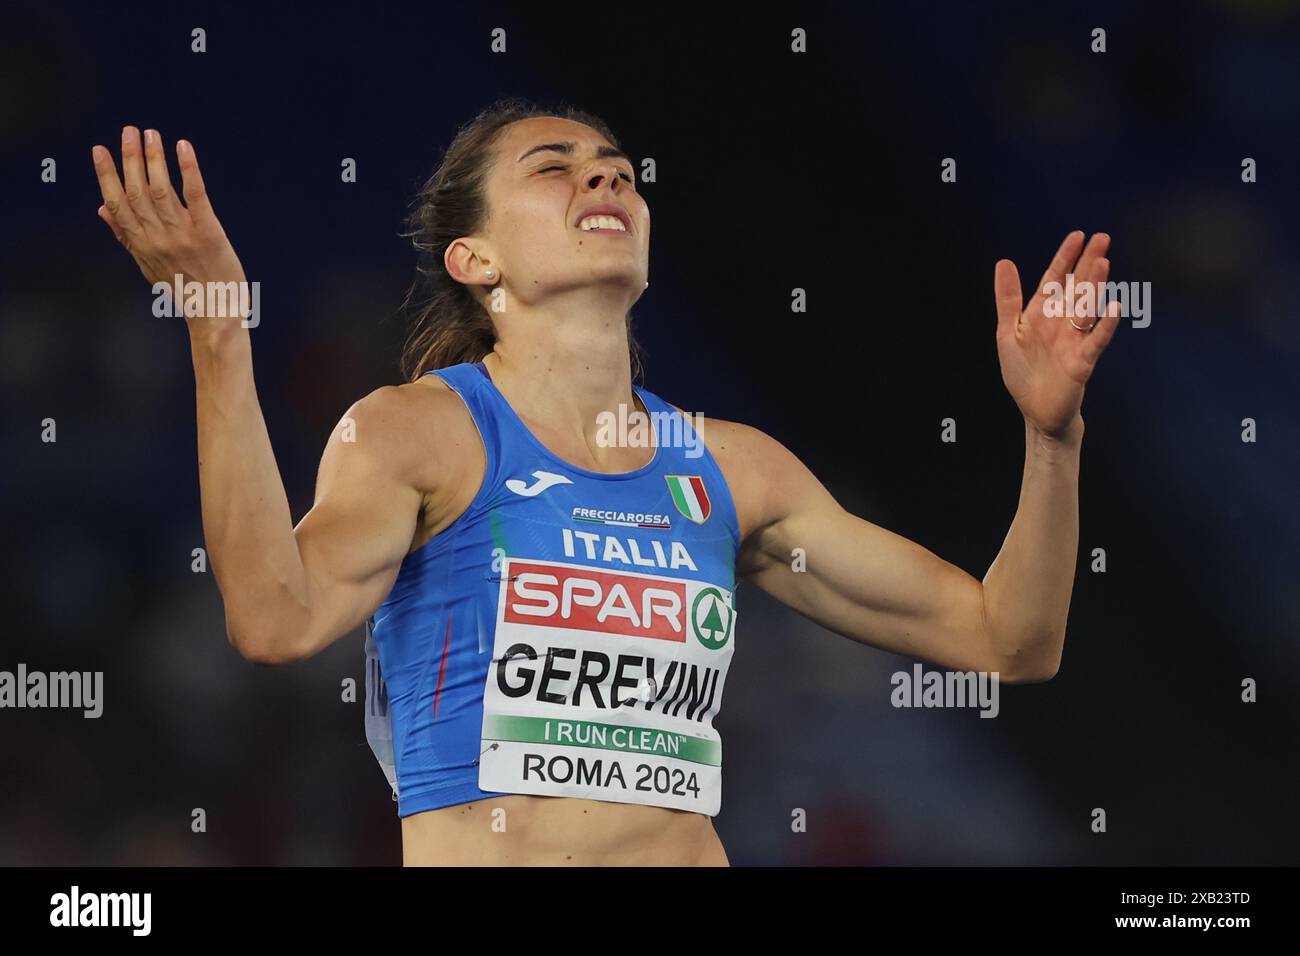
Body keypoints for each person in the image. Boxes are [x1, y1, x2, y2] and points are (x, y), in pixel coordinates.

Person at [90, 99, 1120, 866]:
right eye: (556, 168)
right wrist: (217, 327)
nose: (606, 181)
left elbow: (1008, 640)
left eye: (621, 171)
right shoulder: (419, 434)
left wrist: (1053, 437)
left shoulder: (733, 467)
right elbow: (274, 619)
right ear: (474, 257)